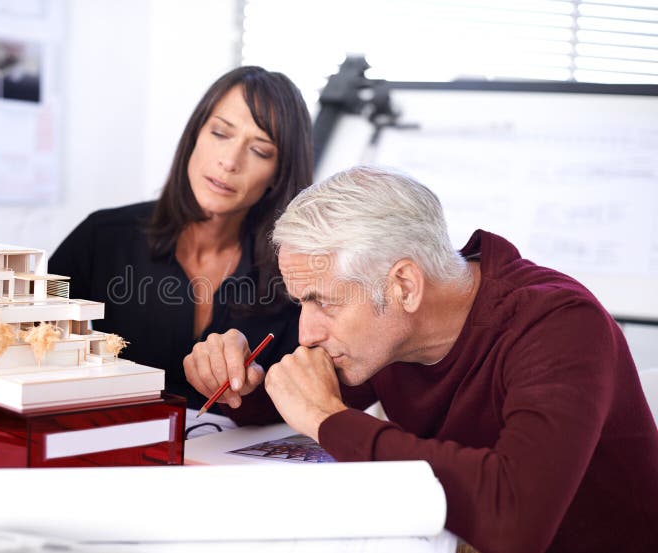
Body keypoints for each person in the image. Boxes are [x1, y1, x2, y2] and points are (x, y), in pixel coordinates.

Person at [183, 165, 658, 552]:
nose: (306, 332)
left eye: (323, 301)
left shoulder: (559, 325)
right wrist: (241, 379)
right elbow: (303, 399)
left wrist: (327, 418)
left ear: (405, 286)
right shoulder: (387, 333)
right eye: (300, 303)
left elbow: (515, 521)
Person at [49, 66, 312, 410]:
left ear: (278, 175)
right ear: (195, 136)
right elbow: (30, 348)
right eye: (220, 133)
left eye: (260, 151)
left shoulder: (291, 274)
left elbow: (301, 397)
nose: (229, 161)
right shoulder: (102, 238)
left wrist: (254, 383)